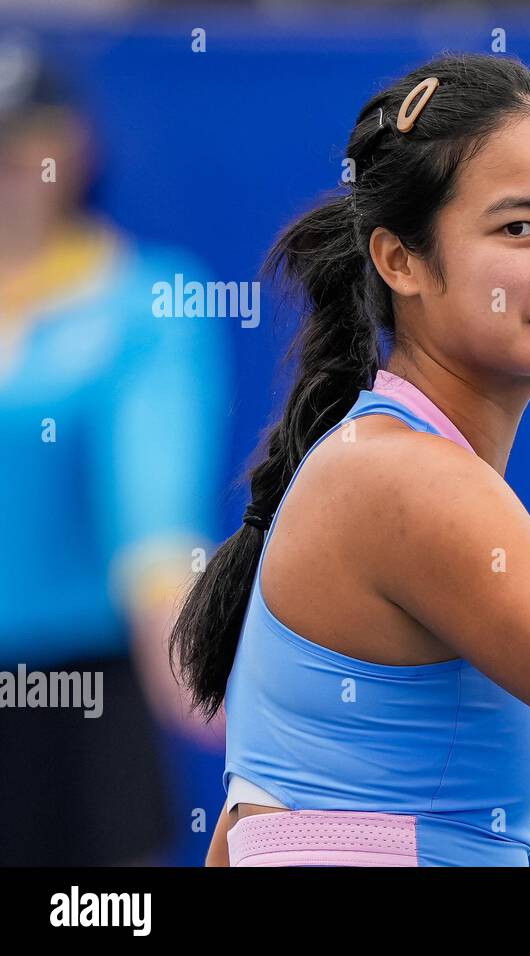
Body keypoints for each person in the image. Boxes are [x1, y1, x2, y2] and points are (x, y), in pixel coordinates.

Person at [170, 52, 530, 867]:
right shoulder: (404, 479)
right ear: (400, 260)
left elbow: (248, 833)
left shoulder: (391, 464)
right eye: (519, 227)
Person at [0, 34, 229, 865]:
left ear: (74, 148)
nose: (7, 171)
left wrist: (182, 640)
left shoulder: (147, 304)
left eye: (24, 146)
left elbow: (155, 505)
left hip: (87, 702)